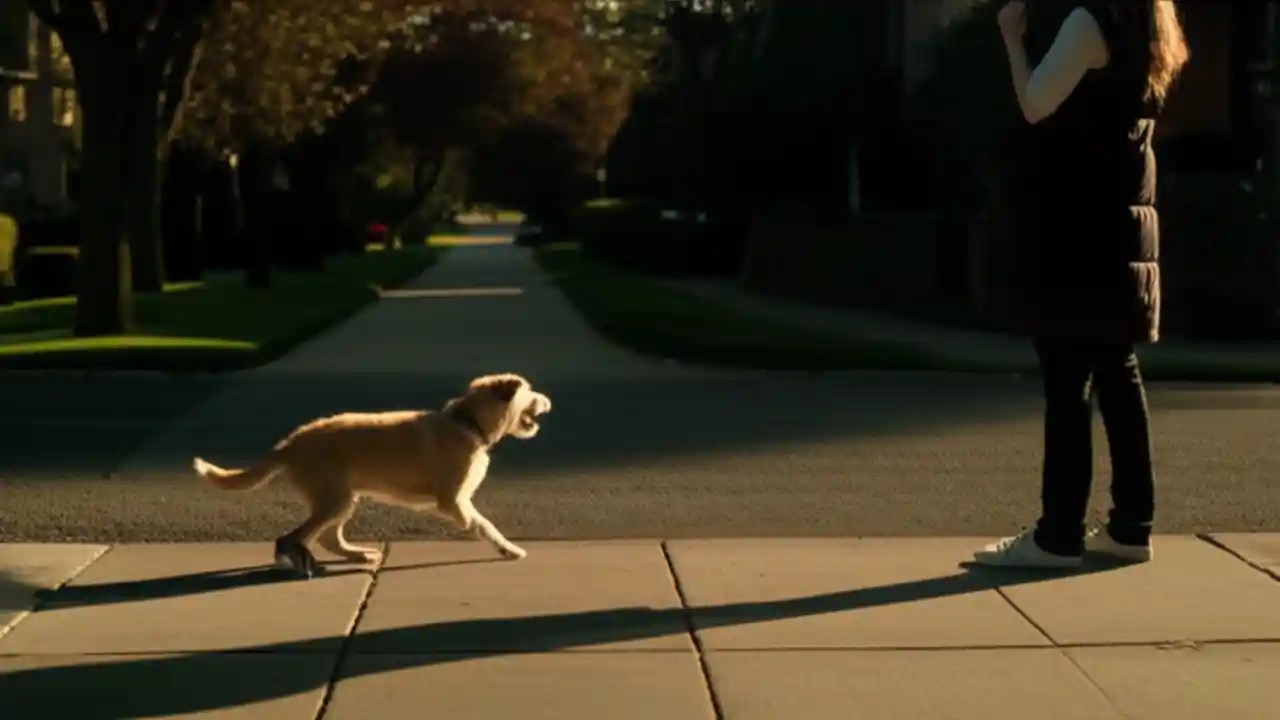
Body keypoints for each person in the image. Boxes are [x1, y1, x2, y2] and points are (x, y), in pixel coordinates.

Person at [973, 1, 1190, 568]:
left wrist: (1013, 40)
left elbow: (1036, 104)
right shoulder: (1148, 25)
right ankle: (1130, 525)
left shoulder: (1089, 23)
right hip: (1119, 229)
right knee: (1116, 370)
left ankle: (1058, 533)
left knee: (1067, 375)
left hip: (1080, 229)